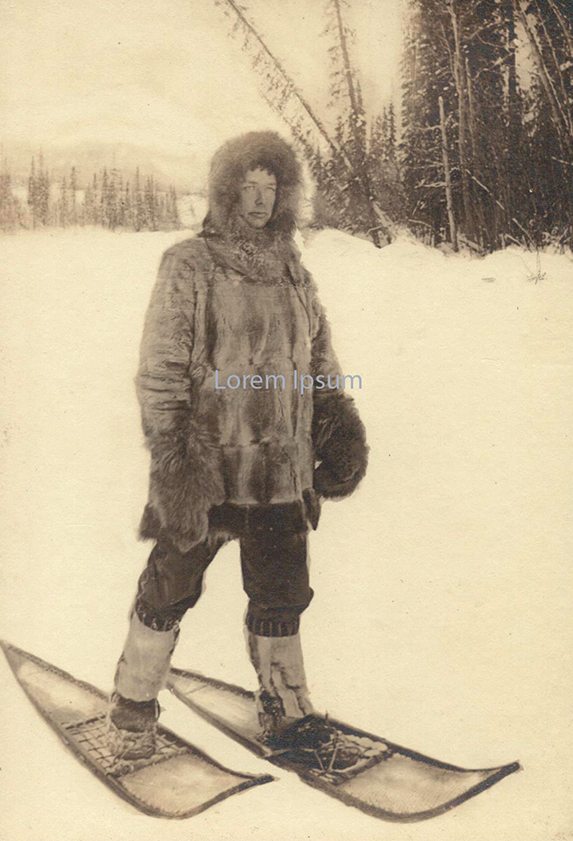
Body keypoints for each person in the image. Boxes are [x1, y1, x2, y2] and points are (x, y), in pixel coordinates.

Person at [106, 130, 368, 763]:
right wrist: (174, 462)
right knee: (172, 584)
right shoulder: (188, 265)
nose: (259, 201)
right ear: (227, 194)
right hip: (208, 468)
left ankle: (286, 712)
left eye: (271, 188)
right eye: (247, 188)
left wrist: (337, 423)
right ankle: (133, 710)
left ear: (286, 195)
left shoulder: (293, 273)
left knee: (282, 594)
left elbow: (320, 364)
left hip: (280, 471)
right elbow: (161, 371)